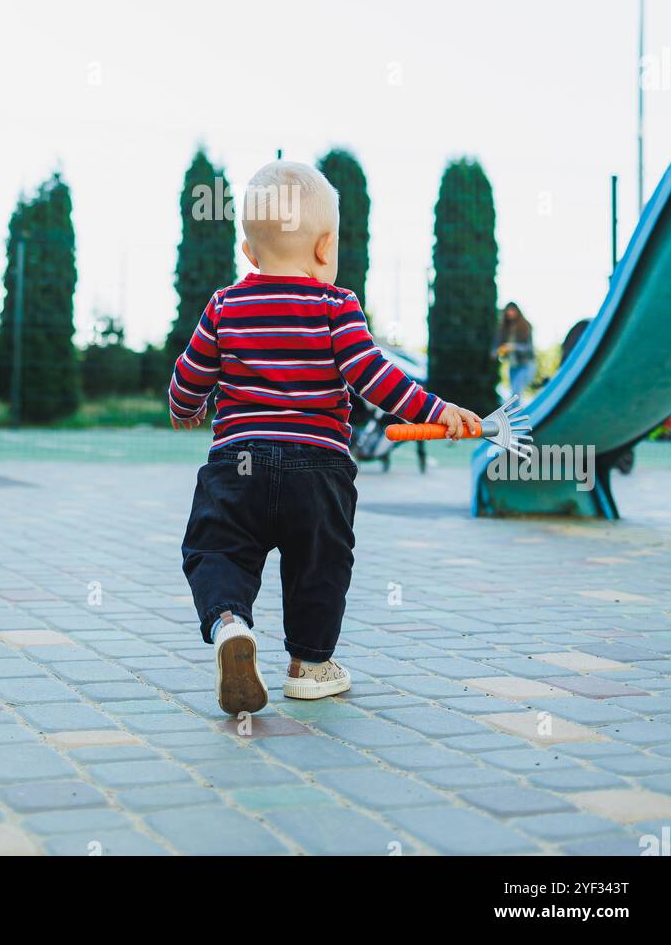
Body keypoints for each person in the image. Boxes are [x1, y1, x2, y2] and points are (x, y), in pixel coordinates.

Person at [168, 160, 481, 715]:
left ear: (248, 252)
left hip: (236, 464)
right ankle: (310, 666)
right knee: (320, 563)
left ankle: (229, 625)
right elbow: (377, 379)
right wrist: (440, 410)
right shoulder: (337, 307)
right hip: (319, 468)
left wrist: (186, 408)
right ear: (325, 247)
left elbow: (189, 378)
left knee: (216, 549)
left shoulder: (224, 305)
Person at [495, 301, 536, 398]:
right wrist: (498, 352)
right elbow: (497, 345)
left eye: (512, 310)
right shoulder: (505, 328)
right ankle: (513, 412)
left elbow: (529, 348)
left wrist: (513, 347)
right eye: (508, 311)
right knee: (514, 392)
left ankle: (515, 413)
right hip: (513, 366)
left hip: (526, 364)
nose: (510, 313)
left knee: (516, 393)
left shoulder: (526, 326)